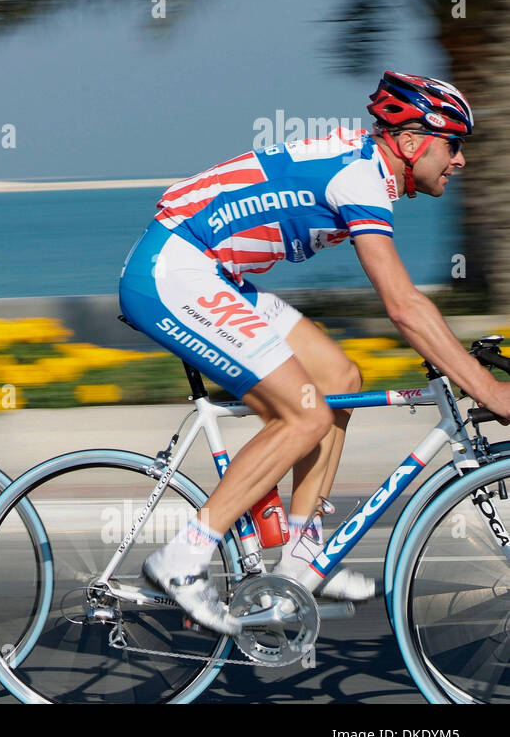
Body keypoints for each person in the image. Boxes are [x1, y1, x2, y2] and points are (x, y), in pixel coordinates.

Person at [118, 71, 510, 634]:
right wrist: (489, 390)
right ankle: (182, 559)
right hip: (175, 272)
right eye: (454, 145)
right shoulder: (360, 180)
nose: (460, 161)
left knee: (340, 376)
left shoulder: (367, 169)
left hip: (214, 273)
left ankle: (302, 559)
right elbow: (403, 306)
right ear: (409, 142)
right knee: (304, 412)